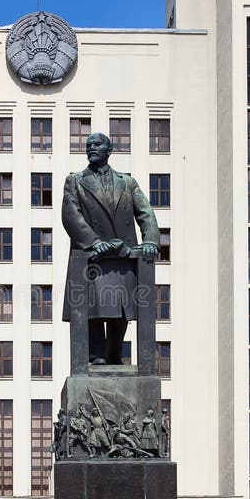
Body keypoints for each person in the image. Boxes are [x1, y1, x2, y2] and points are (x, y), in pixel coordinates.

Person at [62, 133, 159, 364]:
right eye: (88, 145)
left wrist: (150, 241)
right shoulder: (75, 180)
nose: (91, 148)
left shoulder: (126, 181)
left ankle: (114, 355)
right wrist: (95, 242)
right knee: (92, 309)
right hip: (93, 256)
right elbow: (71, 214)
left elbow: (145, 212)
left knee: (121, 309)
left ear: (109, 149)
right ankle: (97, 356)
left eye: (97, 144)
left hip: (123, 256)